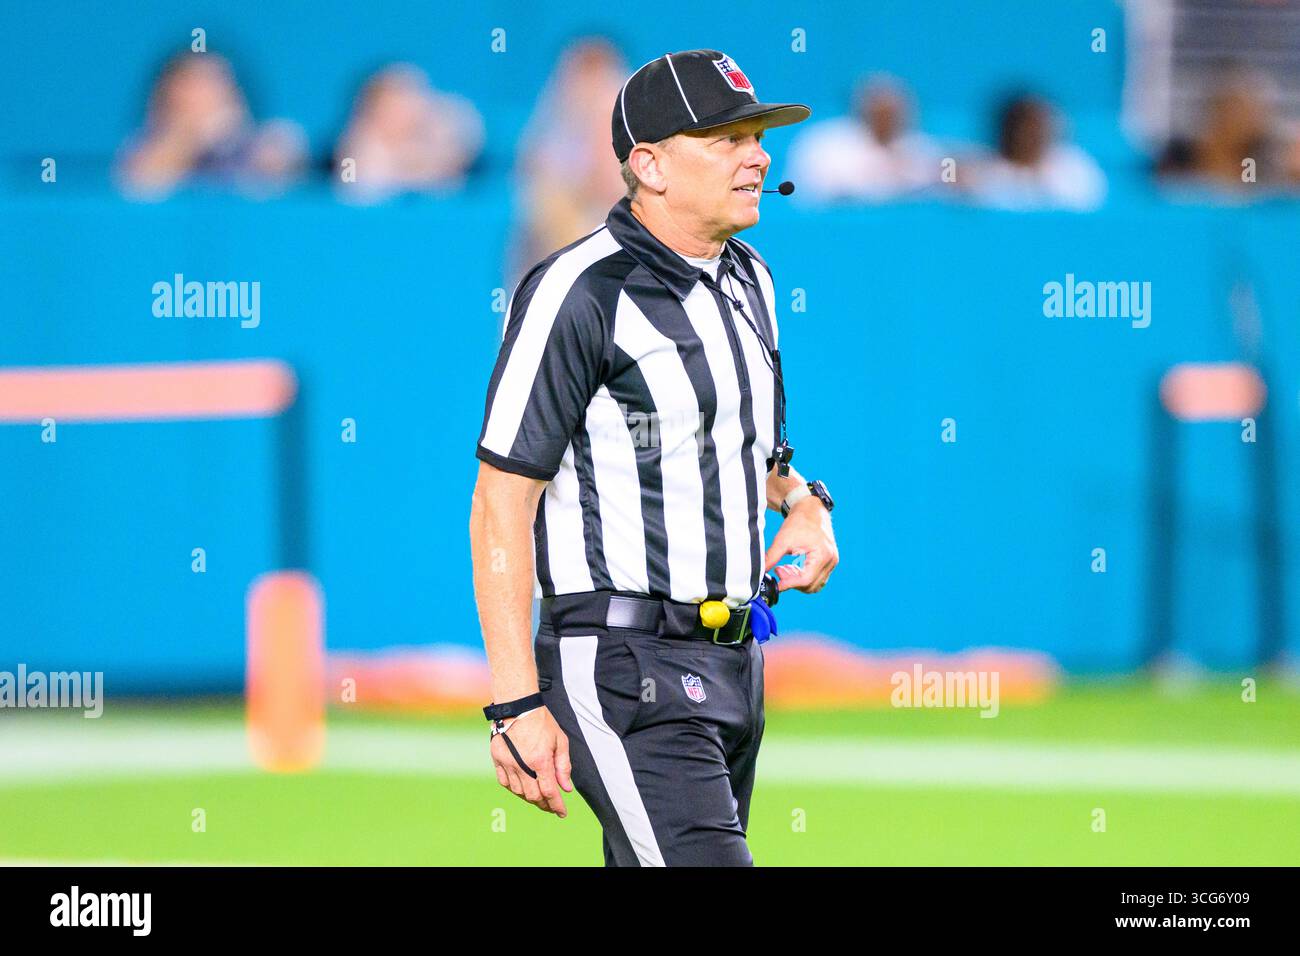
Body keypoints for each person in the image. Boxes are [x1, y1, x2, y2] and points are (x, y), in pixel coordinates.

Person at [470, 49, 839, 866]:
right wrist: (514, 703)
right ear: (650, 165)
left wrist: (806, 505)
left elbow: (748, 453)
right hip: (622, 661)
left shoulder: (750, 279)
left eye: (759, 137)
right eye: (727, 139)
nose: (758, 156)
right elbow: (501, 499)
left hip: (736, 658)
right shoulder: (578, 290)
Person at [117, 52, 305, 198]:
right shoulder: (140, 146)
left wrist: (231, 136)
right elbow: (140, 186)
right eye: (192, 85)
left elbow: (284, 172)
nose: (207, 97)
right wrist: (191, 135)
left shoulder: (266, 140)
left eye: (216, 83)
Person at [333, 63, 484, 203]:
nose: (405, 111)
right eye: (391, 104)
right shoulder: (358, 150)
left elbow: (459, 164)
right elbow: (359, 187)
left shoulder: (446, 127)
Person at [787, 74, 940, 202]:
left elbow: (935, 183)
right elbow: (821, 189)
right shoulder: (823, 143)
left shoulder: (918, 146)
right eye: (880, 110)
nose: (887, 118)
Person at [967, 93, 1105, 211]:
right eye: (1022, 129)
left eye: (1036, 129)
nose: (1028, 136)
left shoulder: (1076, 171)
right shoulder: (979, 171)